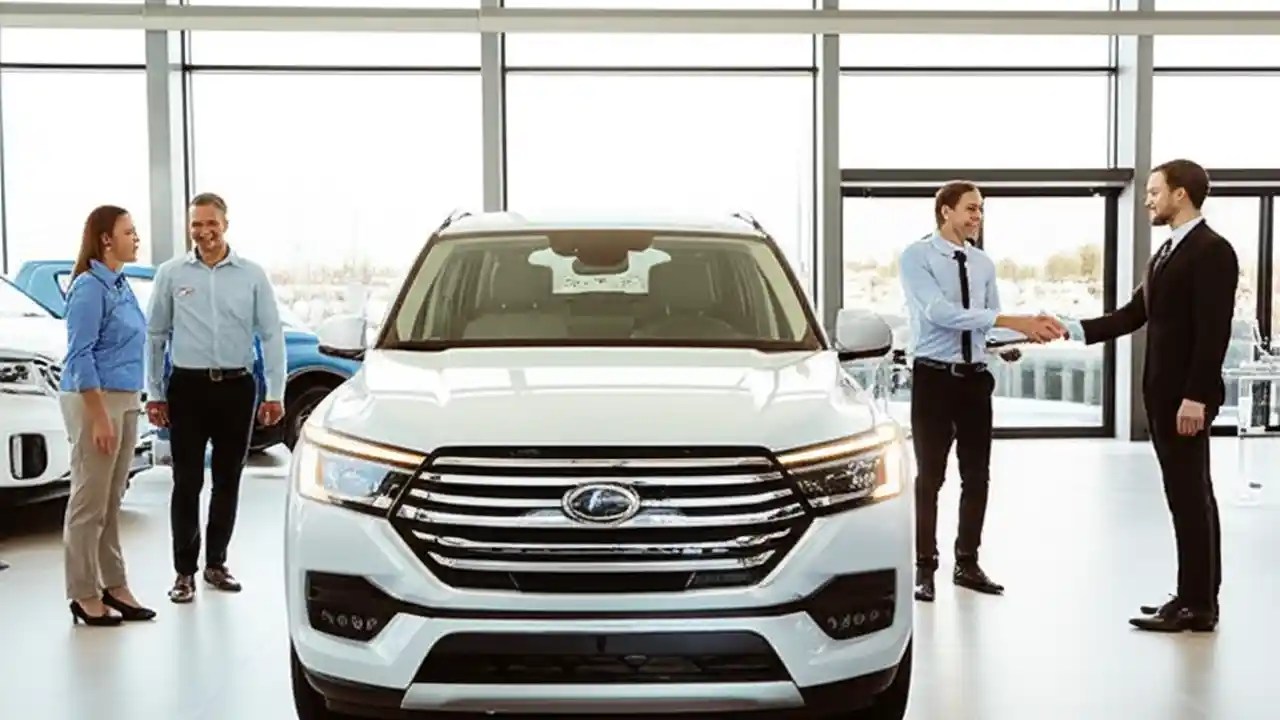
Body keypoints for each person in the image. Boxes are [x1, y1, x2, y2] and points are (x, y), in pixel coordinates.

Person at [1058, 159, 1235, 632]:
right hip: (1164, 396)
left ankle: (1198, 604)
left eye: (1155, 192)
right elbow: (1133, 314)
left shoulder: (1212, 251)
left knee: (1189, 497)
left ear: (1182, 194)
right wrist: (1069, 329)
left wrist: (1196, 397)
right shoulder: (1166, 253)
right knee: (1190, 496)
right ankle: (1196, 596)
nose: (1148, 200)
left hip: (1185, 400)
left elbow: (1213, 332)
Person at [898, 180, 1065, 603]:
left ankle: (967, 563)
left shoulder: (983, 264)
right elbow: (940, 314)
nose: (977, 217)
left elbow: (989, 322)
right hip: (934, 379)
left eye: (981, 210)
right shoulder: (917, 257)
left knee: (977, 476)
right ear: (945, 212)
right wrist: (1015, 321)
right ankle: (924, 567)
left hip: (975, 380)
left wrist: (1026, 332)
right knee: (930, 478)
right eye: (970, 209)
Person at [145, 192, 285, 604]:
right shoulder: (171, 274)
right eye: (196, 224)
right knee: (186, 481)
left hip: (238, 389)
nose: (203, 231)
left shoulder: (252, 275)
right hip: (186, 389)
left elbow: (271, 335)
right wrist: (154, 393)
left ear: (226, 224)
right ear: (189, 227)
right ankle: (183, 572)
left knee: (228, 479)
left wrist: (274, 392)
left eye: (211, 223)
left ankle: (216, 564)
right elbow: (155, 337)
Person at [59, 205, 157, 625]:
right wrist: (99, 416)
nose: (136, 238)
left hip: (126, 398)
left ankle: (114, 585)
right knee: (89, 502)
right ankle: (83, 592)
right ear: (105, 239)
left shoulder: (120, 285)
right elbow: (79, 356)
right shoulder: (88, 288)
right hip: (95, 400)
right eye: (129, 232)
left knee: (112, 500)